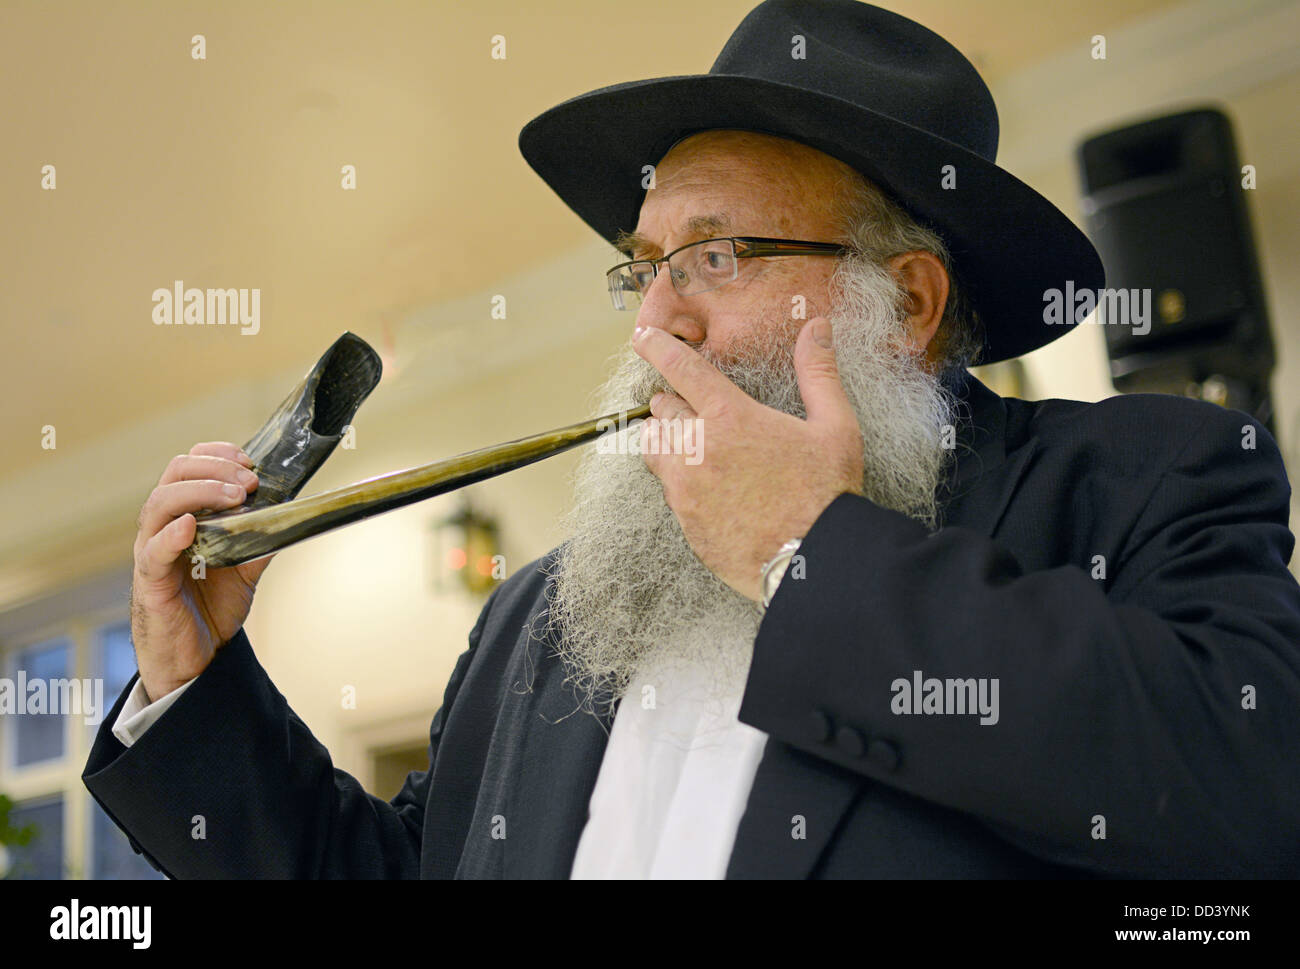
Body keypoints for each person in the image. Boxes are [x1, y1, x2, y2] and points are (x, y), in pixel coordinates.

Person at [85, 0, 1300, 878]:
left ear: (910, 303)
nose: (657, 315)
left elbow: (1246, 800)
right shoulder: (541, 616)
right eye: (643, 269)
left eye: (717, 257)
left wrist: (811, 557)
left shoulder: (1132, 484)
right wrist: (193, 688)